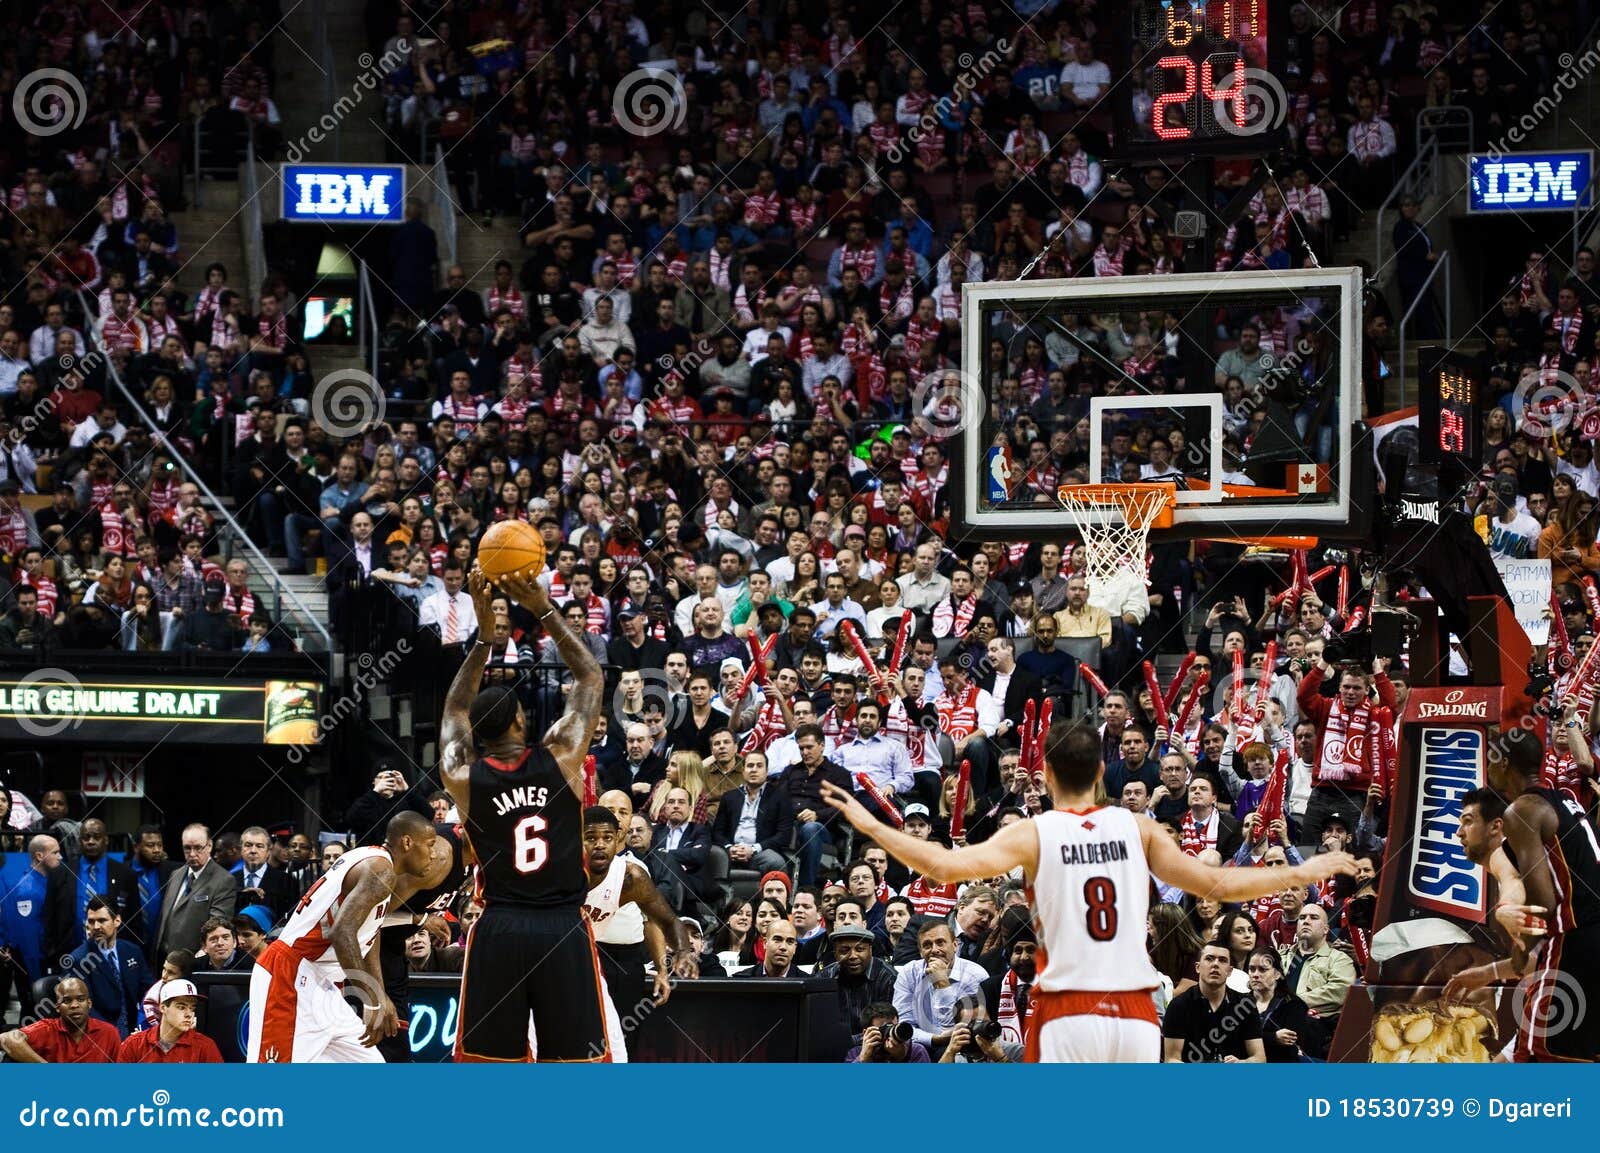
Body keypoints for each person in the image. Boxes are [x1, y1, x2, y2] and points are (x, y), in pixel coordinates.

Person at [823, 720, 1353, 1061]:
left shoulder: (1033, 832)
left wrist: (869, 823)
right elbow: (1218, 881)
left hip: (1068, 1011)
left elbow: (940, 866)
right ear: (1103, 771)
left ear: (1047, 773)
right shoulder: (1138, 827)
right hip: (1137, 1015)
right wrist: (1304, 872)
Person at [439, 566, 611, 1062]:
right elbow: (590, 676)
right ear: (520, 718)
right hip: (562, 927)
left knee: (492, 1066)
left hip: (500, 927)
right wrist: (542, 608)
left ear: (477, 733)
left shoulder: (463, 777)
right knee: (573, 1064)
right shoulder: (560, 756)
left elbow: (453, 710)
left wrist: (484, 639)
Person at [1446, 727, 1600, 1061]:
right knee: (1569, 1057)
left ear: (1502, 763)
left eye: (1490, 759)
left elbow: (1543, 903)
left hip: (1577, 941)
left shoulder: (1522, 811)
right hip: (1588, 940)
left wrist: (1517, 948)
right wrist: (1495, 970)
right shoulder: (1565, 801)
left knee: (1541, 1058)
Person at [245, 812, 445, 1063]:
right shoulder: (380, 869)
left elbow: (370, 934)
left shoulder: (373, 861)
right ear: (407, 843)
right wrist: (372, 999)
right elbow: (342, 932)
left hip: (323, 983)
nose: (434, 854)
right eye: (429, 845)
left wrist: (379, 993)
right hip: (291, 974)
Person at [577, 806, 697, 1062]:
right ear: (579, 839)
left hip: (611, 960)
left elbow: (666, 920)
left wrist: (683, 952)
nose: (599, 845)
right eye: (590, 838)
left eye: (607, 838)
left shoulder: (630, 876)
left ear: (618, 838)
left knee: (617, 1045)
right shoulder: (560, 871)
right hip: (562, 961)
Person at [1161, 941, 1266, 1062]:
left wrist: (1241, 1063)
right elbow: (1172, 1059)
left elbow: (1259, 1058)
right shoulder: (1178, 1005)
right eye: (1209, 959)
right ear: (1197, 967)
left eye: (1222, 960)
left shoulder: (1245, 1005)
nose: (1215, 964)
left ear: (1230, 971)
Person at [64, 895, 152, 1036]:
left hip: (135, 1027)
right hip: (100, 1033)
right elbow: (83, 1010)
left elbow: (149, 992)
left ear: (117, 920)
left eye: (102, 921)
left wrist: (146, 1023)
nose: (96, 927)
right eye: (91, 922)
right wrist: (112, 1035)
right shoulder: (78, 960)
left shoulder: (132, 951)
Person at [155, 823, 239, 957]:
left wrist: (202, 955)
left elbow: (218, 925)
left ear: (209, 846)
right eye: (187, 848)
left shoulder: (224, 880)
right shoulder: (176, 874)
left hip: (193, 960)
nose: (192, 854)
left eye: (198, 848)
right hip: (162, 957)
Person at [0, 977, 122, 1063]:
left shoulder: (109, 1033)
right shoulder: (47, 1029)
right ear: (57, 1007)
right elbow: (6, 1039)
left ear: (89, 1003)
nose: (74, 1005)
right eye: (67, 1001)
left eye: (80, 999)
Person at [1281, 903, 1356, 1024]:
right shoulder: (1279, 957)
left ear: (1326, 929)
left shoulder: (1340, 959)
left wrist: (1293, 1004)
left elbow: (1339, 991)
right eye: (1302, 918)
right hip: (1273, 1022)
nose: (1306, 921)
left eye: (1313, 917)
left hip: (1314, 1026)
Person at [116, 979, 223, 1063]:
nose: (189, 1014)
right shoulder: (133, 1044)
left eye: (192, 1008)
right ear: (162, 1008)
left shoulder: (206, 1046)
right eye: (181, 1007)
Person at [1246, 946, 1324, 1062]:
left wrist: (1249, 1038)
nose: (1255, 974)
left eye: (1263, 969)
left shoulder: (1293, 1005)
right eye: (1252, 969)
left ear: (1277, 974)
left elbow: (1288, 1047)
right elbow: (1232, 1038)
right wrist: (1274, 1037)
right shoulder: (1241, 1002)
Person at [847, 1002, 931, 1062]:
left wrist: (901, 1058)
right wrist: (863, 1059)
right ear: (866, 1033)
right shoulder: (855, 1053)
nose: (889, 1033)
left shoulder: (915, 1051)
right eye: (883, 1029)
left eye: (893, 1027)